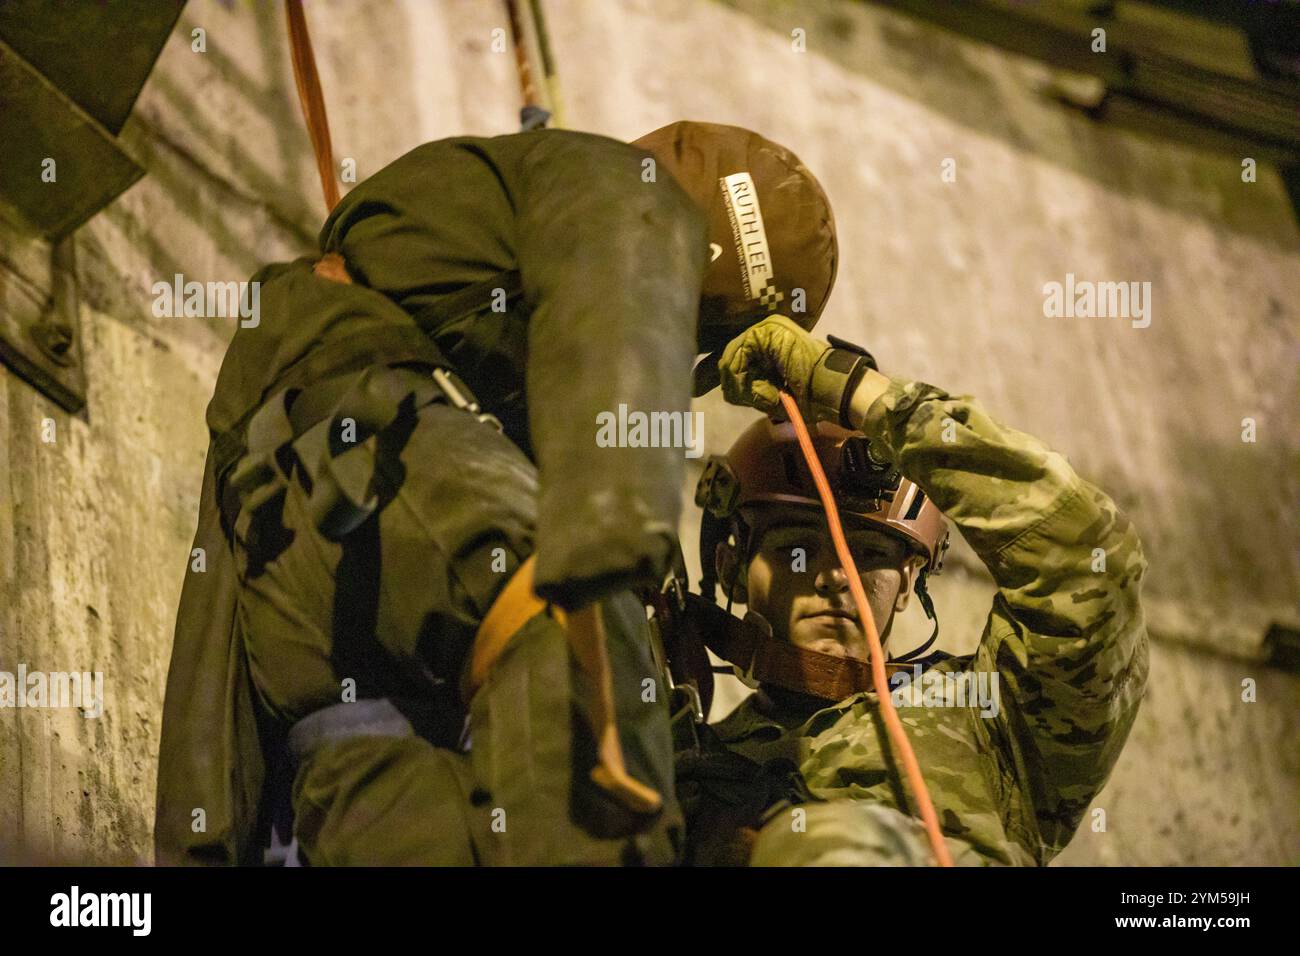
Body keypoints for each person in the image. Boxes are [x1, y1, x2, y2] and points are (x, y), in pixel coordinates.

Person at [154, 123, 838, 865]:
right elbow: (611, 419)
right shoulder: (621, 189)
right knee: (559, 616)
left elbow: (215, 618)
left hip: (338, 612)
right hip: (397, 466)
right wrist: (608, 568)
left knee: (401, 797)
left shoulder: (357, 357)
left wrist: (203, 839)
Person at [669, 316, 1149, 865]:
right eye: (794, 546)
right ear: (731, 568)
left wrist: (848, 388)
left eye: (870, 554)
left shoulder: (993, 719)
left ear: (908, 584)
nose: (837, 574)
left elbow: (1087, 559)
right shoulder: (685, 768)